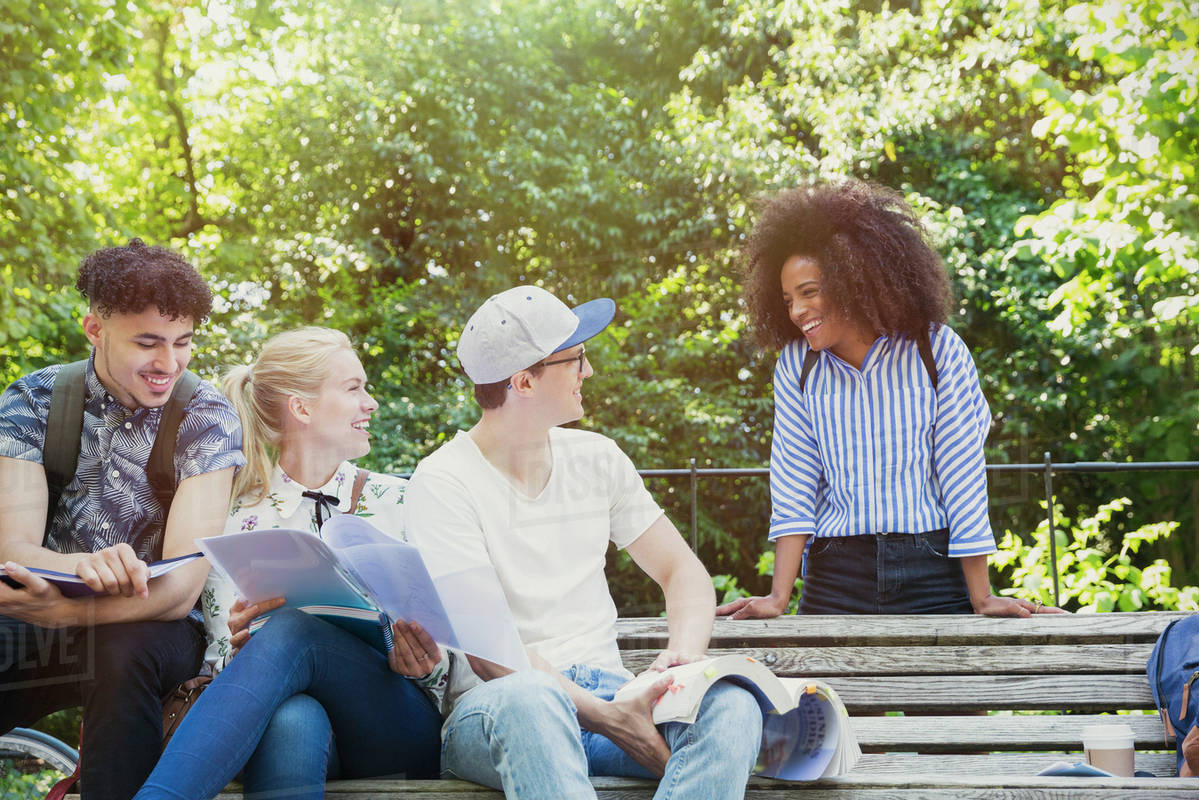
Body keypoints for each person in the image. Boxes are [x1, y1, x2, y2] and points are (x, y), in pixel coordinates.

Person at [404, 286, 763, 800]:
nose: (588, 372)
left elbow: (683, 573)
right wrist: (610, 720)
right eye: (576, 360)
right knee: (534, 698)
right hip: (501, 708)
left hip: (612, 690)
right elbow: (491, 653)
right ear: (524, 381)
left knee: (730, 705)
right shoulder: (442, 481)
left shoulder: (598, 458)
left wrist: (680, 662)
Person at [717, 180, 1062, 620]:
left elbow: (962, 473)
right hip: (836, 575)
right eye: (787, 300)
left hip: (934, 571)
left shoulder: (936, 351)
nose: (797, 312)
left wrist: (982, 596)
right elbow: (795, 481)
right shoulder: (796, 366)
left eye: (809, 292)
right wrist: (778, 598)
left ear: (854, 280)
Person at [134, 327, 442, 800]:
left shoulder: (403, 501)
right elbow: (223, 659)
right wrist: (240, 639)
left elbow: (451, 650)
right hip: (288, 722)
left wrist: (422, 662)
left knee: (293, 629)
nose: (371, 403)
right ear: (301, 408)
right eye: (354, 388)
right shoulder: (235, 519)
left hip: (394, 724)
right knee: (293, 718)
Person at [0, 239, 244, 799]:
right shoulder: (32, 401)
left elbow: (182, 587)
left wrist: (70, 613)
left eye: (182, 343)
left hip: (151, 628)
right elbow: (14, 549)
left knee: (120, 652)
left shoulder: (206, 417)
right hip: (36, 613)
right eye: (147, 342)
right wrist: (81, 576)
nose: (168, 364)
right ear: (94, 328)